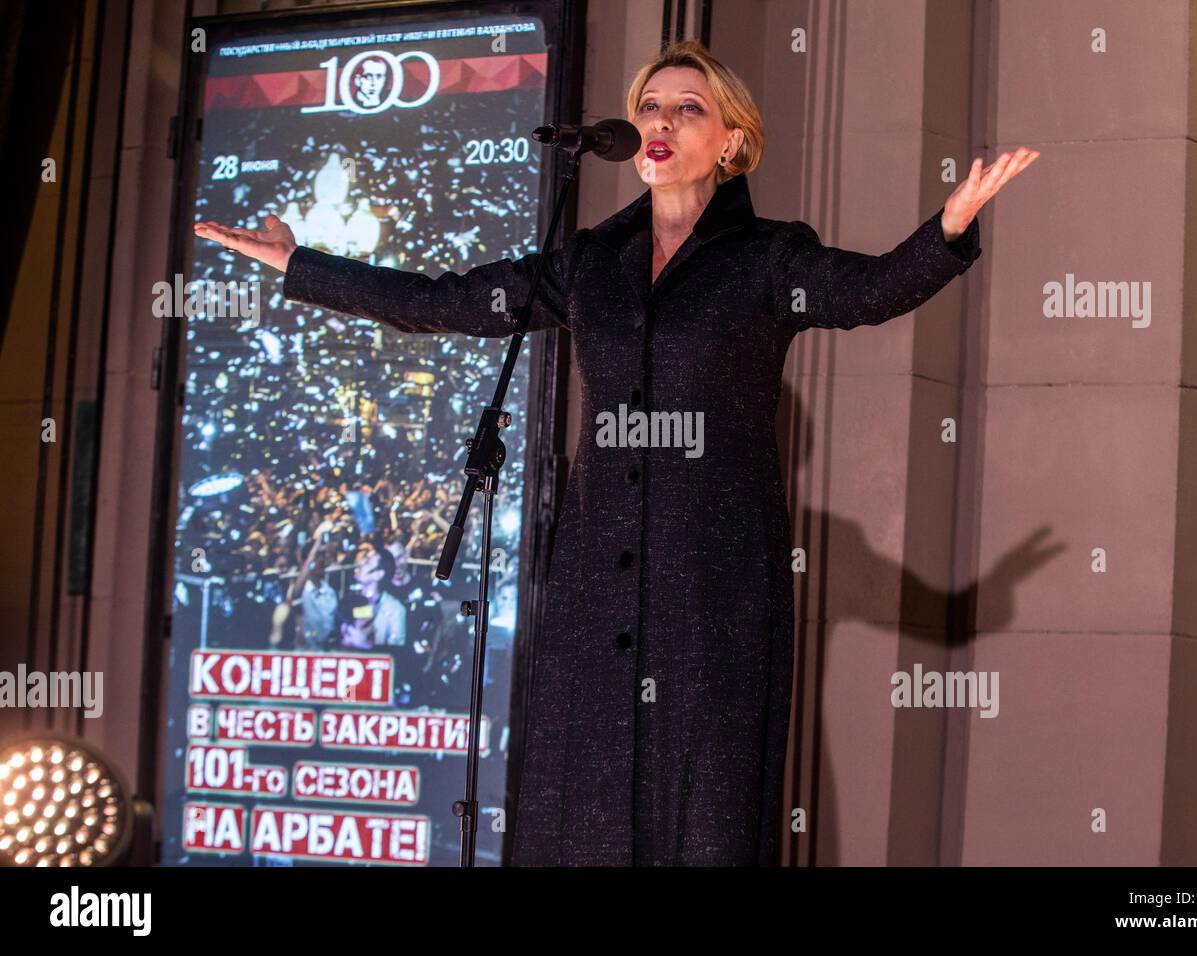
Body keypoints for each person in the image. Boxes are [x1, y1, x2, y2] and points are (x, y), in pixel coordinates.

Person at [194, 39, 1038, 866]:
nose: (660, 121)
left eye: (687, 108)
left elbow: (872, 290)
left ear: (732, 142)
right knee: (581, 808)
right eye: (649, 107)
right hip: (599, 585)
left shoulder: (768, 258)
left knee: (700, 809)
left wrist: (950, 225)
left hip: (714, 589)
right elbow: (440, 302)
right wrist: (299, 264)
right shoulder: (591, 260)